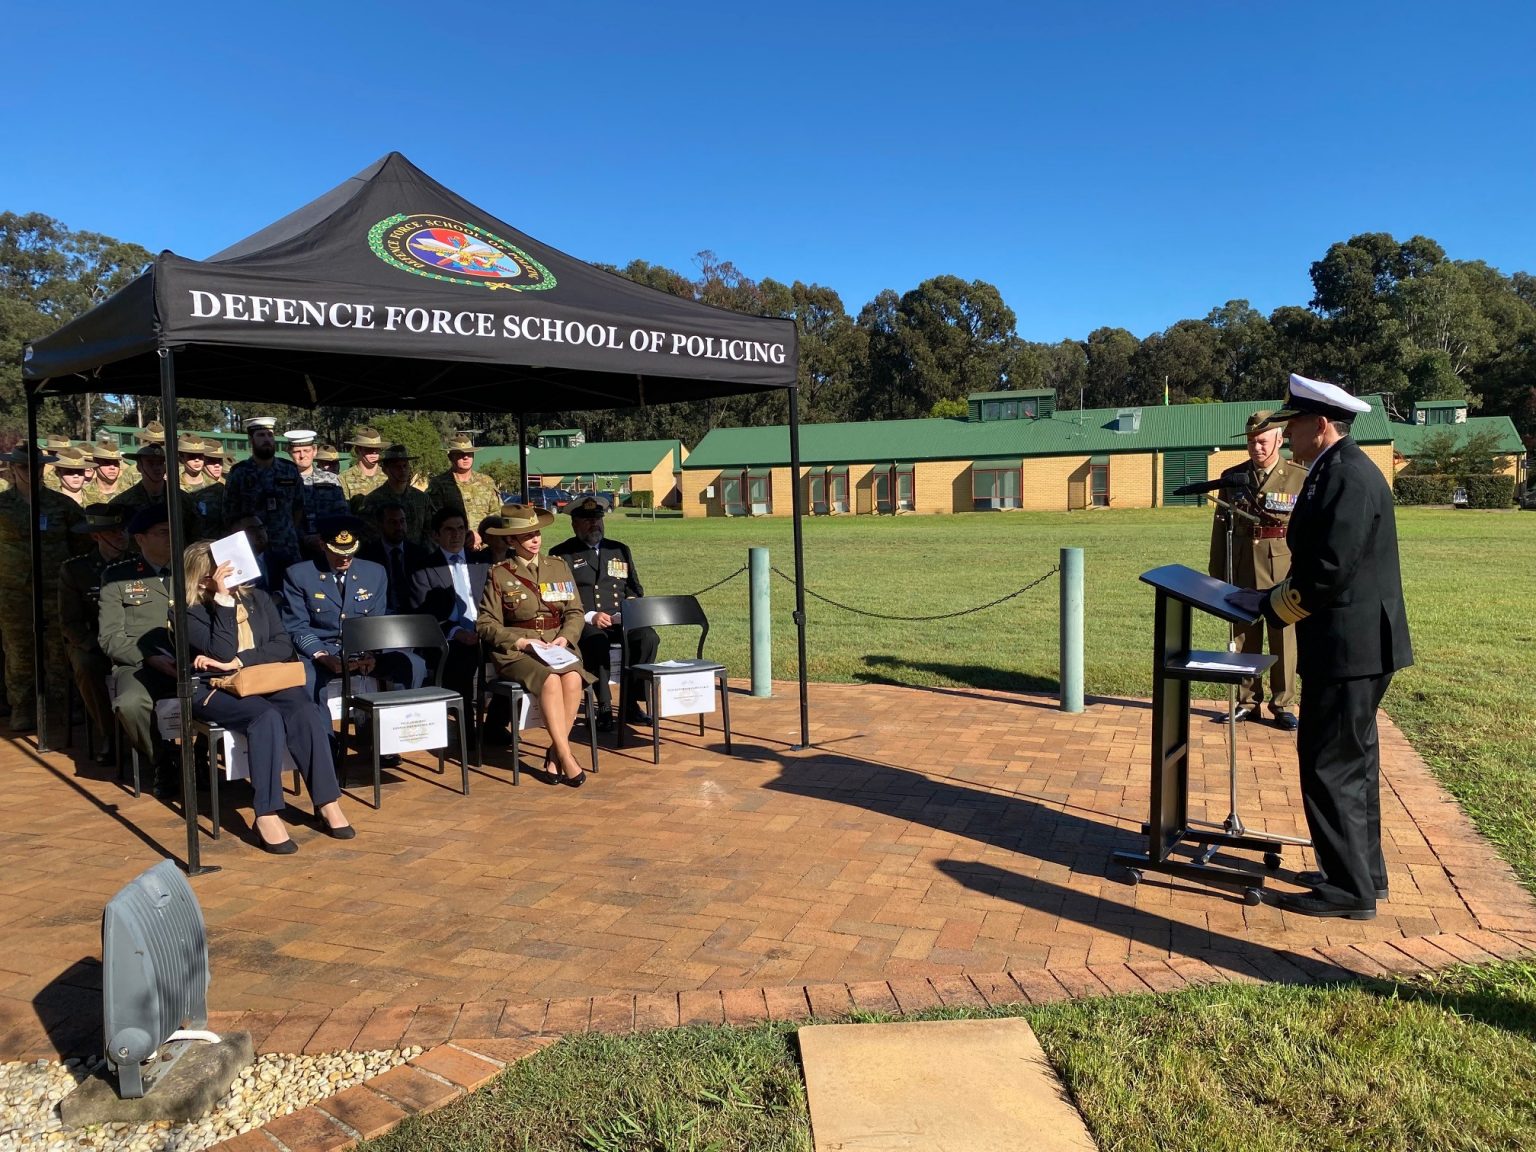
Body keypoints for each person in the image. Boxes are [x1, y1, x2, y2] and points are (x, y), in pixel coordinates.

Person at [1227, 374, 1413, 920]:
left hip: (1350, 647)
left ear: (1321, 425)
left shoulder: (1347, 477)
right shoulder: (1336, 469)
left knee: (1329, 763)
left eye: (1296, 423)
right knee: (1351, 762)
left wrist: (1269, 605)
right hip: (1352, 646)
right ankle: (1359, 875)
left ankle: (1348, 892)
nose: (1289, 433)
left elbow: (1329, 571)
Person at [182, 541, 353, 853]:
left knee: (304, 708)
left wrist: (239, 661)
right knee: (265, 717)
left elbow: (282, 645)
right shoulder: (190, 612)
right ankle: (267, 812)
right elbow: (219, 649)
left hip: (262, 677)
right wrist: (222, 600)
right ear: (204, 578)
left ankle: (327, 800)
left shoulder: (258, 599)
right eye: (221, 571)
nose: (232, 575)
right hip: (213, 687)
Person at [477, 504, 594, 786]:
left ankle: (554, 753)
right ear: (510, 540)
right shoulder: (500, 573)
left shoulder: (558, 566)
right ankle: (565, 756)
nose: (535, 539)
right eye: (526, 534)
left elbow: (575, 612)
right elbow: (485, 623)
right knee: (551, 682)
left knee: (574, 679)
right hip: (519, 650)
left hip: (557, 644)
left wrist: (567, 636)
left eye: (537, 532)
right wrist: (519, 641)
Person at [1208, 410, 1307, 730]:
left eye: (1263, 441)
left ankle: (1283, 703)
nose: (1256, 448)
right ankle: (1247, 701)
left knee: (1283, 637)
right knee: (1243, 635)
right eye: (1251, 442)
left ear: (1280, 439)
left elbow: (1306, 527)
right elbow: (1220, 526)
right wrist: (1218, 573)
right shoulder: (1232, 477)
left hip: (1282, 563)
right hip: (1241, 562)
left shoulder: (1298, 476)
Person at [548, 495, 658, 730]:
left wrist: (630, 604)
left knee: (648, 637)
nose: (594, 524)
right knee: (596, 642)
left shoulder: (618, 550)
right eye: (587, 520)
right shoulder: (561, 554)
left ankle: (630, 703)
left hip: (620, 620)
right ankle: (605, 706)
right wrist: (590, 616)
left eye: (597, 518)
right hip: (583, 622)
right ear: (574, 523)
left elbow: (634, 588)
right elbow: (559, 599)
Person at [280, 514, 412, 704]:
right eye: (338, 553)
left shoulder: (374, 573)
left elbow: (376, 621)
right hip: (324, 651)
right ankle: (324, 734)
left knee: (410, 665)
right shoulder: (300, 575)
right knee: (307, 678)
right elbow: (296, 626)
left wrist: (371, 654)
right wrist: (322, 655)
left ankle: (395, 728)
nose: (345, 559)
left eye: (350, 552)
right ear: (322, 545)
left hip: (362, 651)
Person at [0, 447, 85, 735]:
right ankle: (23, 708)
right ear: (13, 470)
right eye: (23, 467)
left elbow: (81, 548)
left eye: (36, 467)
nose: (30, 472)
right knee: (18, 651)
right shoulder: (2, 505)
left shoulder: (61, 506)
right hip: (12, 592)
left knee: (57, 651)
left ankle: (61, 707)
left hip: (53, 590)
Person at [409, 507, 510, 745]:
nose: (456, 535)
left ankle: (494, 724)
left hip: (485, 630)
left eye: (461, 529)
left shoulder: (481, 562)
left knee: (517, 658)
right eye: (449, 530)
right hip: (449, 639)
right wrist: (456, 632)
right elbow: (424, 615)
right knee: (463, 659)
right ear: (436, 535)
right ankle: (467, 731)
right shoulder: (423, 568)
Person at [99, 504, 179, 796]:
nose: (171, 538)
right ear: (140, 539)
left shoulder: (189, 570)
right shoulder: (118, 577)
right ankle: (163, 760)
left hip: (191, 659)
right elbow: (109, 637)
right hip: (140, 663)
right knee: (130, 704)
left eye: (174, 532)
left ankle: (198, 756)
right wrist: (149, 657)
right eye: (162, 533)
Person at [59, 504, 132, 761]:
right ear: (95, 536)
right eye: (112, 532)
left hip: (133, 640)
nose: (121, 536)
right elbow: (70, 623)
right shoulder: (76, 570)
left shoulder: (137, 563)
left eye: (123, 529)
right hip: (95, 643)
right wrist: (100, 645)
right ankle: (109, 734)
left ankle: (153, 734)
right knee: (87, 667)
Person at [224, 417, 306, 574]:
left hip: (287, 548)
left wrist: (287, 531)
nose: (267, 440)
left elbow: (298, 507)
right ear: (251, 440)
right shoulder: (239, 472)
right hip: (253, 550)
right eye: (261, 435)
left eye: (270, 435)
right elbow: (229, 514)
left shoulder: (289, 469)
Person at [427, 432, 501, 552]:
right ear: (450, 457)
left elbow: (496, 514)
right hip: (453, 548)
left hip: (485, 548)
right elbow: (436, 518)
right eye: (460, 454)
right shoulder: (439, 484)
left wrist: (481, 535)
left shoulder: (486, 482)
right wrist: (465, 535)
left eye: (469, 453)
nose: (465, 457)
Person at [359, 500, 432, 613]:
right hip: (381, 615)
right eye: (392, 522)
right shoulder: (367, 556)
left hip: (416, 615)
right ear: (380, 524)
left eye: (402, 521)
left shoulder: (419, 554)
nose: (399, 527)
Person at [286, 429, 349, 557]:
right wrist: (303, 537)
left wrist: (323, 537)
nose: (302, 456)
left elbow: (342, 515)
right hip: (294, 548)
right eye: (297, 451)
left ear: (314, 451)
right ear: (289, 452)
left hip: (327, 547)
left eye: (306, 451)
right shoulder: (282, 481)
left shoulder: (331, 479)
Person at [359, 444, 432, 545]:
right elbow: (368, 535)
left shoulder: (421, 498)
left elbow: (431, 530)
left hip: (417, 557)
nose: (402, 470)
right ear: (385, 470)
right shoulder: (373, 500)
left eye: (405, 465)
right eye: (396, 466)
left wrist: (423, 554)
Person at [339, 426, 387, 509]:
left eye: (377, 449)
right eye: (369, 449)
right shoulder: (344, 478)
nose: (374, 452)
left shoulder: (388, 476)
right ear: (358, 450)